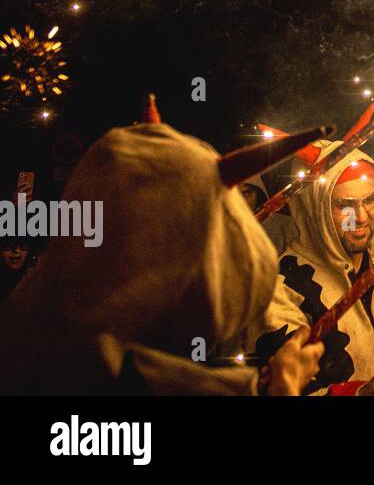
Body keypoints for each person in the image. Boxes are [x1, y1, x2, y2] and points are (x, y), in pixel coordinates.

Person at [0, 119, 323, 395]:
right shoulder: (60, 360)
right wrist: (282, 389)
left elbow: (160, 375)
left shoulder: (70, 321)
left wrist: (259, 387)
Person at [250, 143, 374, 395]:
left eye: (369, 200)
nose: (360, 217)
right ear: (314, 209)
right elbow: (277, 389)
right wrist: (358, 394)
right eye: (344, 205)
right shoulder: (281, 286)